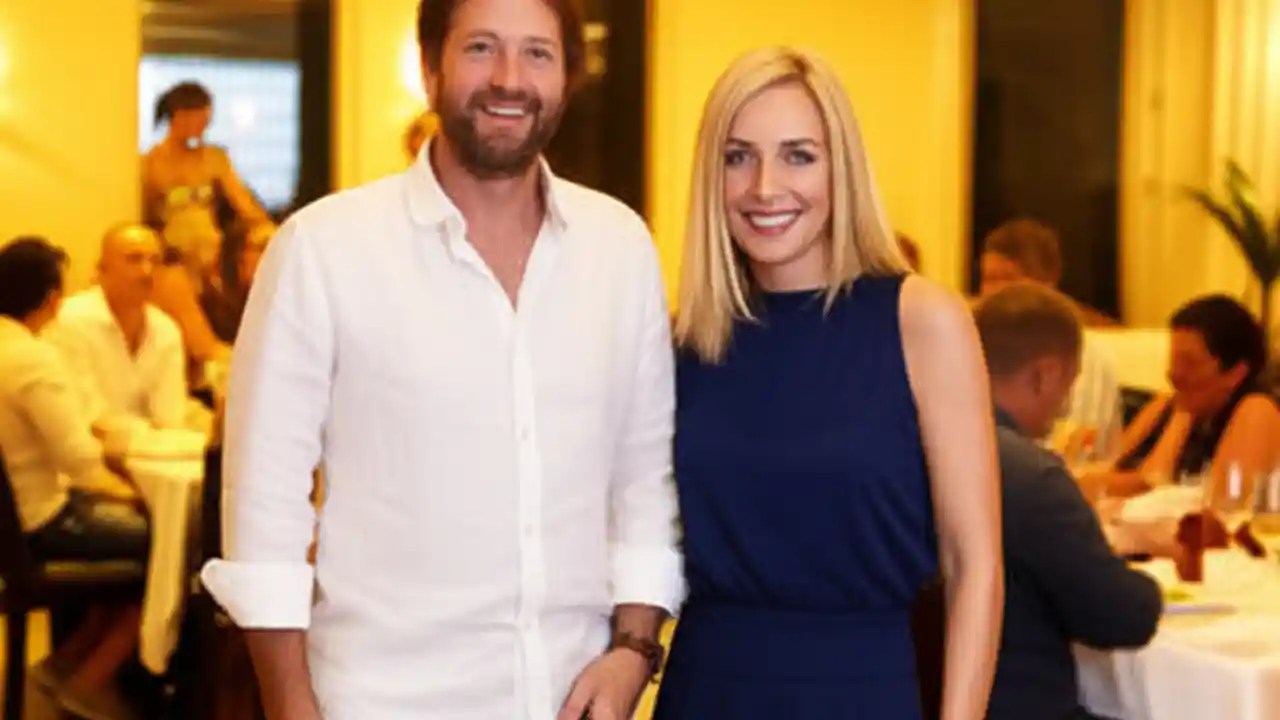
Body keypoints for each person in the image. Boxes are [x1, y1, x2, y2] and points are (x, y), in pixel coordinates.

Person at [199, 1, 682, 718]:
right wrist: (291, 705)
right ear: (431, 69)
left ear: (568, 77)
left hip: (571, 699)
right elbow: (265, 510)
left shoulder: (621, 248)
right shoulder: (323, 249)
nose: (510, 79)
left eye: (538, 54)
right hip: (379, 699)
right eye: (482, 48)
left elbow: (644, 482)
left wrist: (633, 652)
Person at [654, 47, 1003, 719]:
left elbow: (975, 563)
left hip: (859, 690)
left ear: (841, 167)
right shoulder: (681, 341)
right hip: (704, 690)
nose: (764, 187)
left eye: (798, 155)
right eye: (737, 157)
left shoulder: (922, 322)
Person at [974, 283, 1162, 720]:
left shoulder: (910, 445)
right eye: (1070, 385)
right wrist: (1149, 585)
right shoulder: (1029, 475)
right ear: (1046, 373)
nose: (1067, 405)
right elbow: (1122, 618)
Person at [0, 237, 150, 720]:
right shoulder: (31, 358)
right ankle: (89, 685)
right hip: (43, 521)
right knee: (172, 542)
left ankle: (60, 669)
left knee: (141, 543)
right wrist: (133, 495)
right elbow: (78, 457)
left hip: (12, 521)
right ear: (49, 300)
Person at [978, 219, 1124, 459]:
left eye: (1007, 278)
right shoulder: (971, 346)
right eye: (988, 279)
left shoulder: (1081, 356)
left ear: (1048, 283)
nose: (994, 292)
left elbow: (1073, 450)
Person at [1107, 295, 1280, 489]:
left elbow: (1227, 505)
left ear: (1235, 373)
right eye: (1173, 360)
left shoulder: (1256, 410)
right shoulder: (1164, 406)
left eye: (1189, 363)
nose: (1174, 374)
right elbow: (1108, 470)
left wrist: (1183, 415)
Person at [44, 224, 188, 437]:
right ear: (102, 269)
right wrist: (151, 434)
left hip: (147, 455)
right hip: (81, 458)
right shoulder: (69, 320)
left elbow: (171, 418)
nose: (147, 271)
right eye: (134, 259)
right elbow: (85, 417)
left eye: (155, 261)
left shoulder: (166, 330)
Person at [142, 81, 269, 262]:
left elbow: (244, 203)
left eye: (205, 121)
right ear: (177, 117)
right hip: (172, 252)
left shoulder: (214, 158)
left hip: (212, 249)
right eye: (196, 120)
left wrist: (263, 227)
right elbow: (145, 213)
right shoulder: (151, 162)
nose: (202, 127)